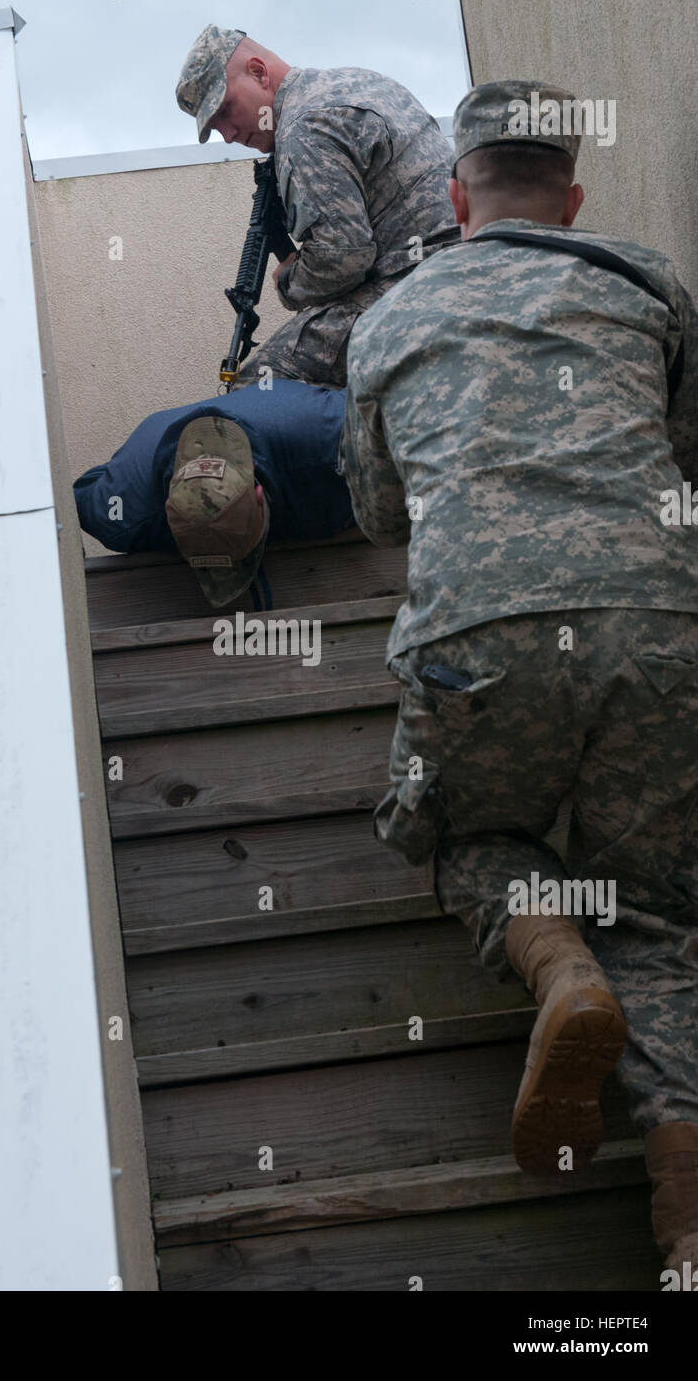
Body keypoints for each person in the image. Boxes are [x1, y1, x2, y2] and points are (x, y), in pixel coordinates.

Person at [339, 78, 698, 1277]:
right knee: (652, 903)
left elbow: (377, 512)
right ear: (572, 198)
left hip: (475, 640)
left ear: (455, 195)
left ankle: (553, 966)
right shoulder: (645, 285)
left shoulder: (387, 320)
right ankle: (682, 1208)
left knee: (458, 827)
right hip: (657, 627)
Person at [175, 24, 460, 390]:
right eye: (216, 129)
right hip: (453, 267)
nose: (228, 134)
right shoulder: (359, 81)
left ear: (259, 72)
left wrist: (288, 282)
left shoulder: (301, 127)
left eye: (226, 111)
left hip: (417, 291)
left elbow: (343, 258)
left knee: (253, 386)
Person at [73, 378, 353, 608]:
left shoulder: (332, 438)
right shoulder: (122, 512)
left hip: (293, 404)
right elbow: (76, 496)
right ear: (167, 509)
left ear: (259, 496)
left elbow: (384, 402)